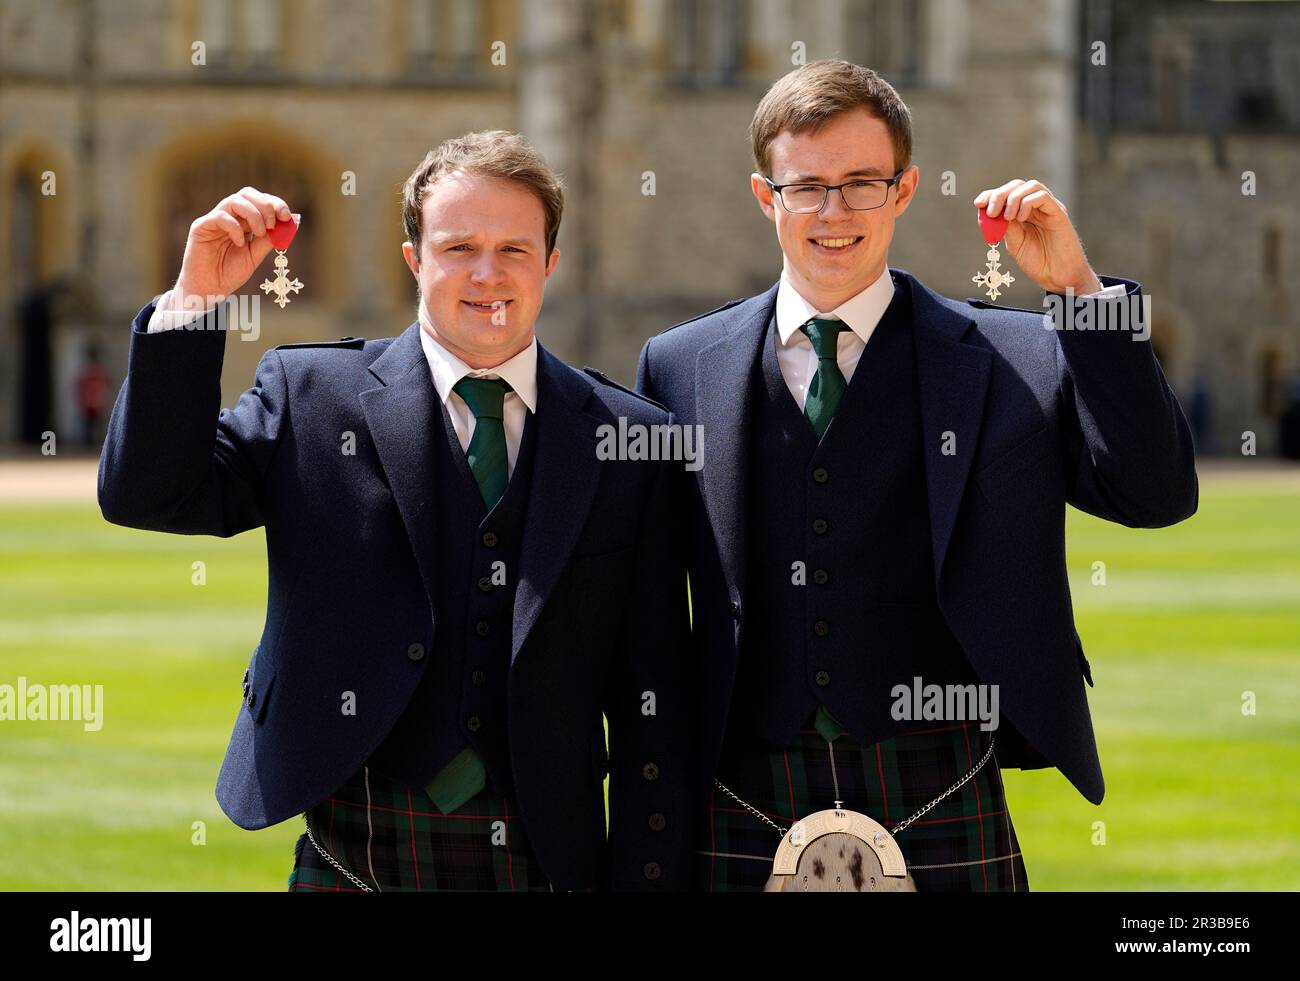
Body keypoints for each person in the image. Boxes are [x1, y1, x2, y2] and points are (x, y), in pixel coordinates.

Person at [636, 60, 1198, 891]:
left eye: (863, 183)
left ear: (904, 191)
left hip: (938, 776)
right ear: (767, 198)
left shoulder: (1016, 354)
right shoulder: (680, 367)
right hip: (744, 785)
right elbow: (644, 599)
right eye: (807, 187)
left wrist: (1081, 294)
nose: (834, 212)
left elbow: (1155, 494)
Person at [99, 130, 694, 892]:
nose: (487, 273)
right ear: (415, 260)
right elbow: (149, 494)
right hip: (357, 853)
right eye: (458, 247)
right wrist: (195, 302)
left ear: (550, 262)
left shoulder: (628, 438)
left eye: (515, 249)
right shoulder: (310, 395)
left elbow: (654, 701)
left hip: (546, 865)